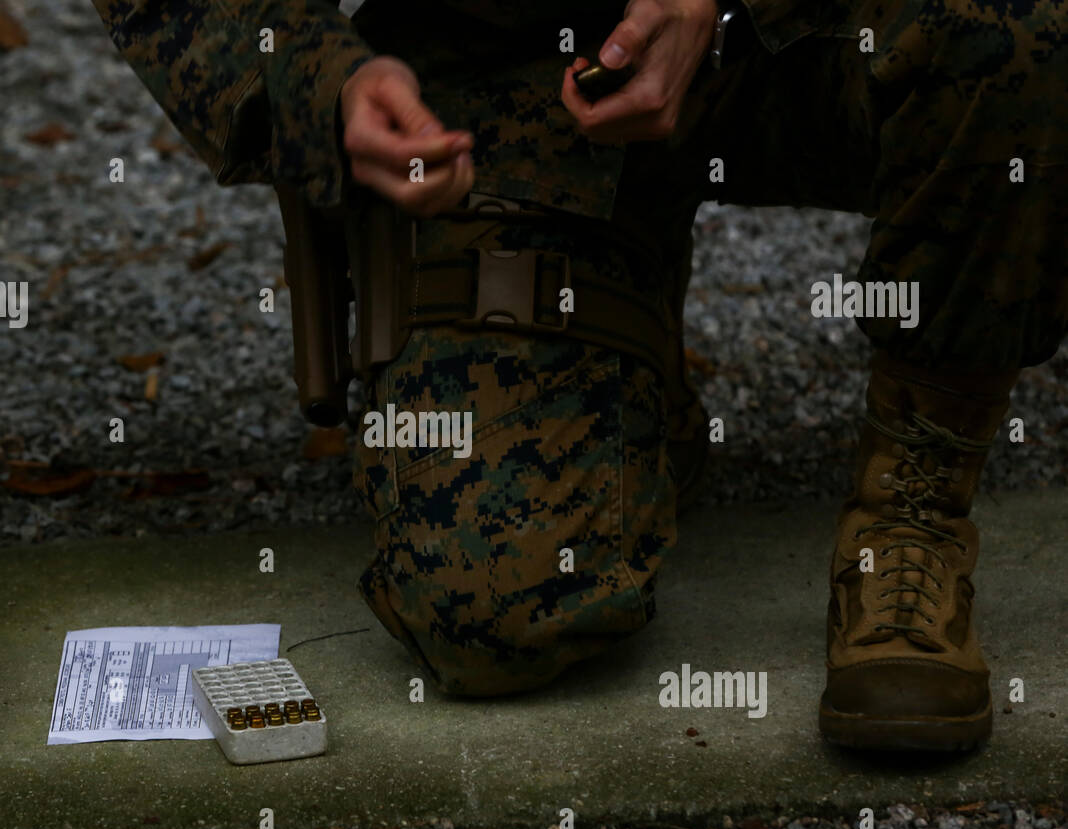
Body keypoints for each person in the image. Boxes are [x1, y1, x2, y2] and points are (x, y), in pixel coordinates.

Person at [90, 0, 1067, 750]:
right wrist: (321, 85)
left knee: (1012, 32)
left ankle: (912, 508)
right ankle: (623, 377)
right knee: (493, 608)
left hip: (801, 38)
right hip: (511, 88)